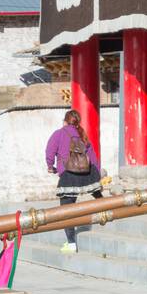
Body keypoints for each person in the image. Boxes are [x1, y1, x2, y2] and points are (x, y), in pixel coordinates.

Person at [45, 109, 103, 254]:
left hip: (68, 175)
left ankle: (71, 243)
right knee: (96, 194)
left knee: (66, 211)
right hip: (86, 173)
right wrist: (96, 173)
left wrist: (50, 166)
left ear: (65, 121)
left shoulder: (58, 134)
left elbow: (49, 151)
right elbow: (93, 158)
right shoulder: (82, 135)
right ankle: (110, 208)